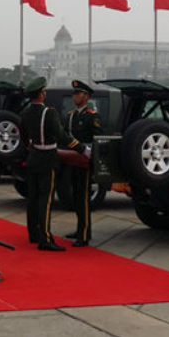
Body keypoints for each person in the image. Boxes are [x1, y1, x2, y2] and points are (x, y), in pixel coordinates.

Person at [20, 76, 88, 251]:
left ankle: (33, 234)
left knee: (32, 198)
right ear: (41, 94)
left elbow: (24, 135)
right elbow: (61, 135)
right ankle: (45, 238)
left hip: (33, 156)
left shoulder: (26, 112)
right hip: (47, 158)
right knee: (46, 199)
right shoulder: (49, 112)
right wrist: (81, 148)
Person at [64, 80, 101, 247]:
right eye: (74, 94)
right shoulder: (72, 115)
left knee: (84, 197)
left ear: (86, 96)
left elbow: (97, 139)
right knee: (76, 196)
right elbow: (66, 136)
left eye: (78, 94)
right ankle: (80, 229)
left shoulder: (92, 116)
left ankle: (84, 233)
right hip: (73, 158)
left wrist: (88, 153)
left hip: (85, 161)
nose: (75, 96)